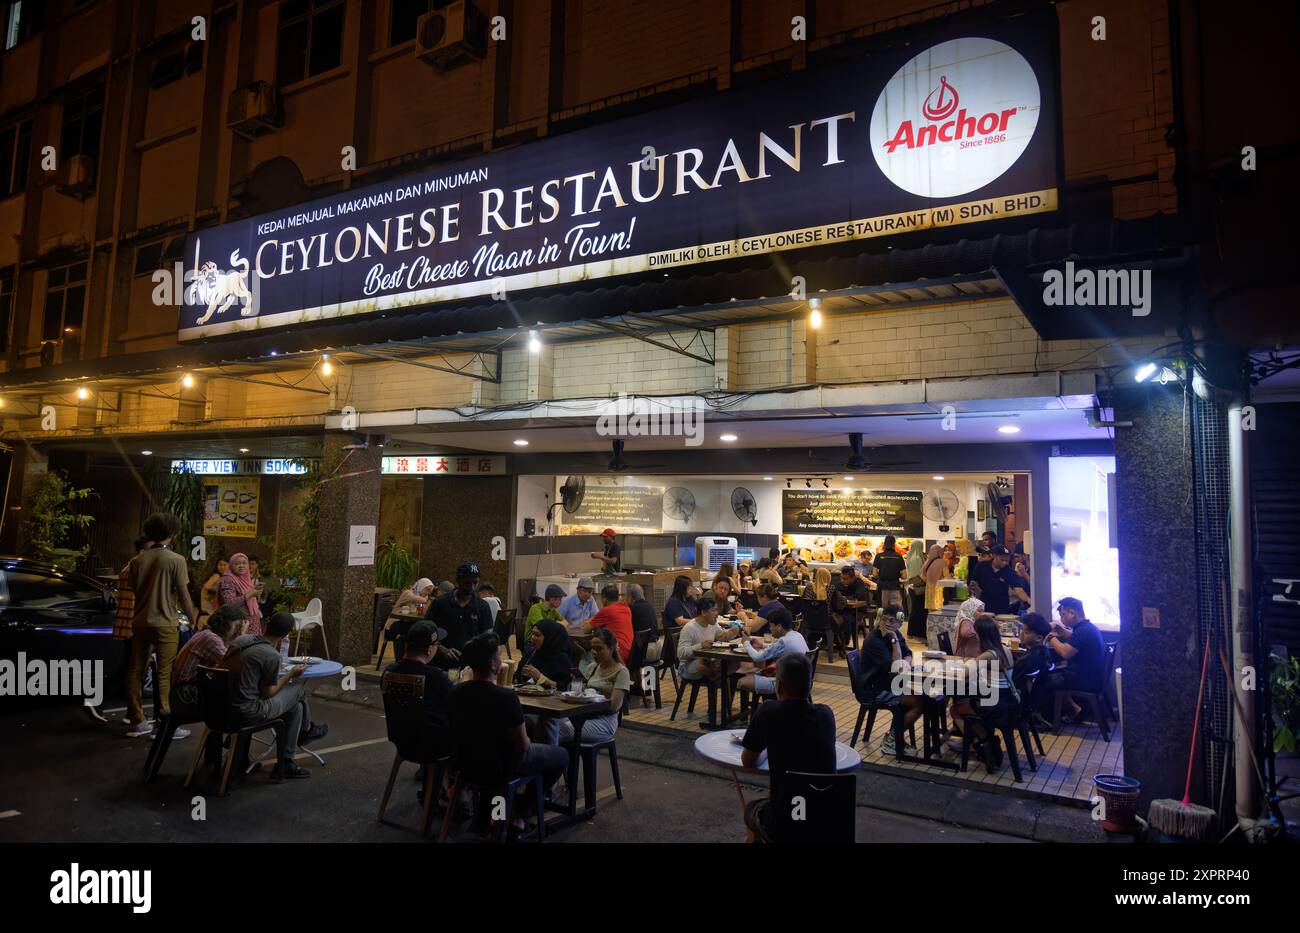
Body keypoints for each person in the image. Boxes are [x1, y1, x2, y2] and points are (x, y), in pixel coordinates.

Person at [447, 634, 569, 835]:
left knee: (495, 758)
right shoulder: (506, 697)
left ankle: (486, 819)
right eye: (498, 657)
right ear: (493, 664)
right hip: (500, 768)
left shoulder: (455, 692)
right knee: (560, 755)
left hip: (465, 764)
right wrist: (529, 739)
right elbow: (523, 746)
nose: (501, 660)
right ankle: (518, 815)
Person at [740, 653, 836, 842]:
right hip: (826, 817)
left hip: (785, 819)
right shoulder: (826, 715)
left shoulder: (768, 711)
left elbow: (747, 760)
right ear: (810, 685)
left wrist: (768, 745)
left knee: (753, 809)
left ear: (779, 685)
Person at [223, 610, 328, 781]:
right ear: (286, 634)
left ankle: (286, 761)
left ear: (267, 624)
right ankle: (305, 732)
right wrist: (290, 675)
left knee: (296, 707)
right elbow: (267, 693)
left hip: (225, 705)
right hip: (250, 710)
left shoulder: (240, 641)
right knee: (298, 691)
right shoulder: (271, 655)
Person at [125, 514, 198, 738]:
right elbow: (184, 594)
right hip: (165, 622)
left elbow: (135, 590)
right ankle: (164, 721)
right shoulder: (176, 559)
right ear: (172, 533)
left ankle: (137, 719)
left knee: (135, 670)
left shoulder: (137, 561)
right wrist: (192, 617)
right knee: (165, 672)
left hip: (139, 621)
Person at [172, 604, 249, 767]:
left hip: (184, 692)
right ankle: (235, 755)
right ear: (225, 623)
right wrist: (242, 637)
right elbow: (234, 663)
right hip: (186, 695)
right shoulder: (211, 639)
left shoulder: (208, 634)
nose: (237, 630)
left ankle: (218, 755)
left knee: (228, 695)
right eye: (236, 626)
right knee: (241, 703)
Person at [539, 628, 628, 746]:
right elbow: (582, 693)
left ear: (611, 649)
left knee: (555, 729)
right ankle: (546, 758)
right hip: (584, 716)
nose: (594, 652)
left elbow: (613, 706)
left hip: (604, 721)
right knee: (546, 721)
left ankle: (552, 761)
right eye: (592, 648)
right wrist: (577, 685)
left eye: (599, 648)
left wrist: (591, 697)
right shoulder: (593, 667)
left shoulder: (621, 671)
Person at [948, 615, 1019, 757]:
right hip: (1008, 701)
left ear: (981, 635)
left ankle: (978, 741)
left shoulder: (989, 654)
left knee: (955, 710)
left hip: (996, 705)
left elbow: (964, 674)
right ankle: (979, 739)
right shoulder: (1005, 649)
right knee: (965, 699)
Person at [384, 620, 453, 752]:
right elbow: (454, 701)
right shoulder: (436, 677)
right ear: (429, 649)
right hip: (432, 743)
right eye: (437, 644)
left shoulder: (389, 671)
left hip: (400, 738)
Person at [1047, 597, 1106, 720]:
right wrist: (1063, 632)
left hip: (1086, 680)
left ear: (1072, 613)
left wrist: (1051, 638)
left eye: (1063, 615)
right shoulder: (1088, 627)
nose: (1061, 619)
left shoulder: (1083, 631)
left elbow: (1065, 653)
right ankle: (1073, 708)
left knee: (1045, 679)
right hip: (1093, 676)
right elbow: (1076, 639)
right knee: (1055, 674)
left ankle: (1053, 716)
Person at [426, 561, 494, 667]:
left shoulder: (482, 607)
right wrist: (442, 649)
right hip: (440, 662)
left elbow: (487, 638)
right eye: (467, 583)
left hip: (469, 665)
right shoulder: (440, 603)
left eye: (475, 583)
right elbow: (427, 631)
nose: (471, 586)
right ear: (458, 580)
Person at [736, 605, 807, 697]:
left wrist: (746, 643)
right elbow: (778, 647)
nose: (770, 629)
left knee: (742, 682)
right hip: (801, 681)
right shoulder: (797, 635)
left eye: (771, 626)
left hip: (786, 684)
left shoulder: (783, 642)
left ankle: (759, 708)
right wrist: (762, 645)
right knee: (756, 672)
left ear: (779, 627)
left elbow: (757, 658)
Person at [676, 595, 737, 683]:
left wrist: (732, 633)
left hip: (708, 660)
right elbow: (680, 654)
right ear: (703, 612)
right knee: (703, 663)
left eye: (716, 609)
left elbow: (722, 636)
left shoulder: (713, 624)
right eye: (713, 610)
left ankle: (716, 677)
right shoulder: (689, 628)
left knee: (734, 662)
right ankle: (716, 677)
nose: (717, 614)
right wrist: (700, 646)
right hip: (687, 665)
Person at [1012, 612, 1056, 722]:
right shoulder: (1044, 653)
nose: (1021, 634)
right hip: (1030, 705)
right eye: (1022, 630)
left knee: (970, 693)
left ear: (1039, 638)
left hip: (1017, 706)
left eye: (1026, 632)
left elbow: (1012, 686)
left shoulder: (1028, 661)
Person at [969, 545, 1031, 614]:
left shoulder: (1009, 572)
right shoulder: (981, 566)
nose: (1004, 563)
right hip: (982, 607)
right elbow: (974, 582)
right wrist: (977, 593)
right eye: (1002, 560)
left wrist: (1028, 600)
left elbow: (1019, 589)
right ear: (994, 556)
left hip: (1001, 609)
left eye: (1007, 561)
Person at [518, 618, 572, 691]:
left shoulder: (562, 659)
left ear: (549, 638)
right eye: (532, 634)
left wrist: (540, 678)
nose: (532, 638)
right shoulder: (531, 654)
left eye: (537, 635)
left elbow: (564, 687)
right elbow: (517, 677)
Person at [216, 552, 263, 637]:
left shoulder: (246, 578)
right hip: (237, 625)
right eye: (237, 563)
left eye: (244, 563)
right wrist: (250, 594)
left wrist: (256, 592)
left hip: (251, 624)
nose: (241, 566)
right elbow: (229, 603)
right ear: (230, 565)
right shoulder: (228, 580)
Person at [584, 584, 634, 661]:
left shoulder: (606, 610)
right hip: (631, 652)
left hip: (617, 653)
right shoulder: (627, 609)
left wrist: (587, 622)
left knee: (585, 659)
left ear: (604, 599)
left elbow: (586, 630)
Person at [829, 565, 870, 645]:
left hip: (857, 611)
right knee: (832, 617)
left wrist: (843, 598)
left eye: (846, 579)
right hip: (843, 610)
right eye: (842, 578)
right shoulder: (839, 584)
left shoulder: (859, 583)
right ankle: (837, 641)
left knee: (846, 618)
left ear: (853, 578)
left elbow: (858, 596)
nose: (843, 580)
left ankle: (844, 642)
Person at [625, 583, 659, 665]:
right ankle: (638, 677)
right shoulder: (649, 605)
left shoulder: (632, 609)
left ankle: (629, 677)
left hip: (646, 651)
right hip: (658, 647)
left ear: (630, 597)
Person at [872, 534, 908, 610]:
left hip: (882, 586)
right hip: (894, 586)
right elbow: (904, 576)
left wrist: (882, 574)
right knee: (895, 610)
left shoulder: (879, 556)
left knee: (882, 610)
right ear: (894, 544)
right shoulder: (899, 556)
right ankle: (894, 622)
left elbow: (874, 574)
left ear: (885, 544)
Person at [199, 557, 230, 623]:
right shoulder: (216, 576)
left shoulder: (224, 577)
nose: (222, 567)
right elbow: (207, 586)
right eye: (220, 565)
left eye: (224, 565)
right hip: (209, 608)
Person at [922, 544, 949, 612]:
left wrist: (929, 580)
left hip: (928, 590)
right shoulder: (942, 562)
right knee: (938, 613)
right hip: (938, 590)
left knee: (930, 612)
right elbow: (946, 576)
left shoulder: (927, 562)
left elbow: (922, 576)